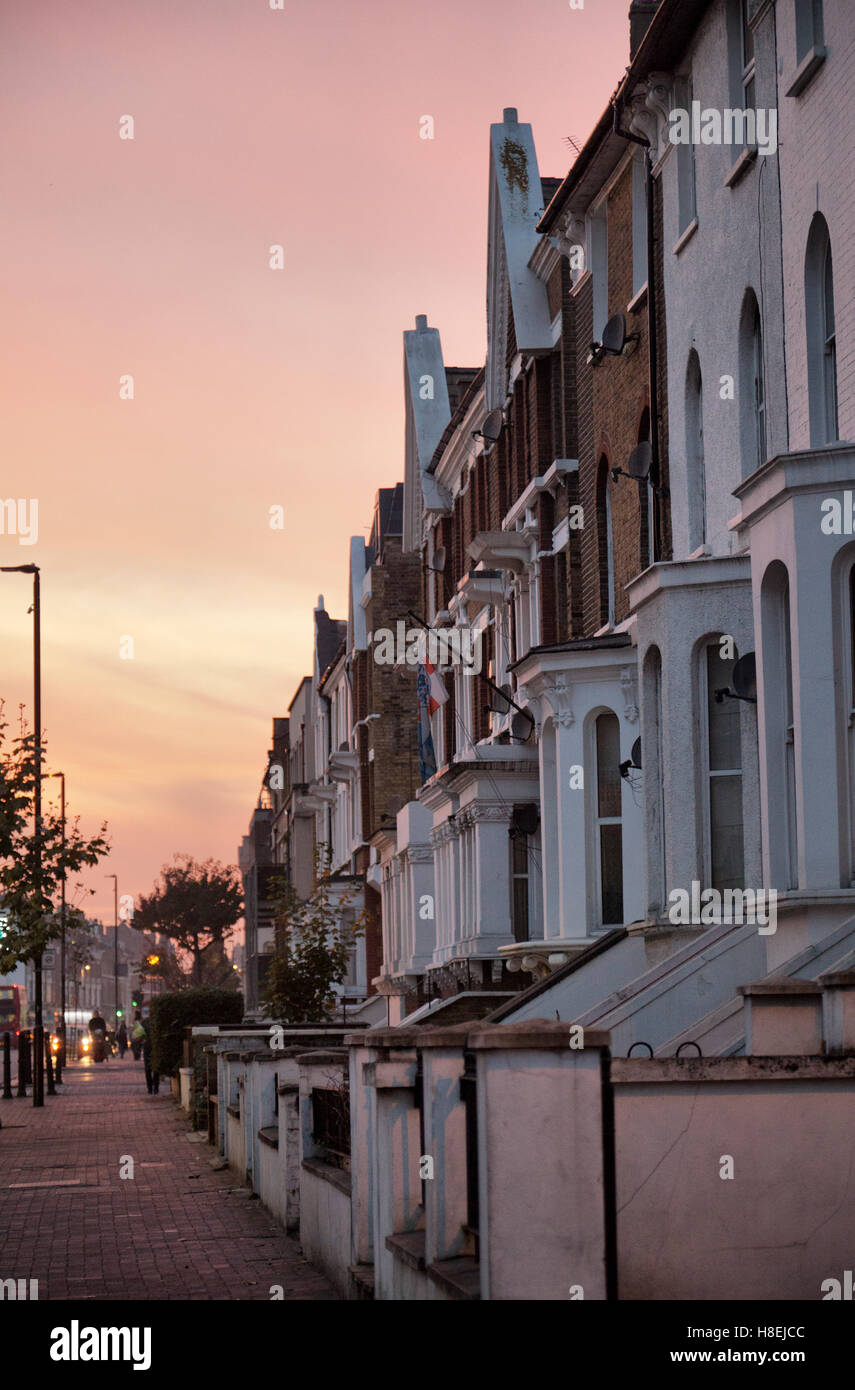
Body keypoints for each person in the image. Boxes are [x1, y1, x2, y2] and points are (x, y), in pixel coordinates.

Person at [140, 1018, 159, 1095]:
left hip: (147, 1047)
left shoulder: (144, 1022)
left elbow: (138, 1035)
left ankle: (150, 1088)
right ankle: (156, 1087)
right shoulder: (156, 1021)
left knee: (148, 1069)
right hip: (155, 1046)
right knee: (155, 1068)